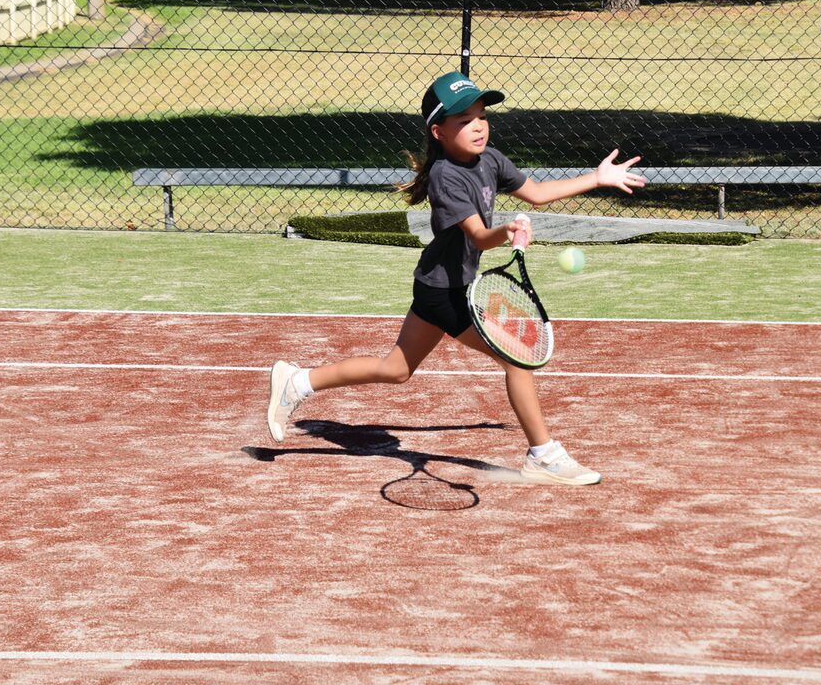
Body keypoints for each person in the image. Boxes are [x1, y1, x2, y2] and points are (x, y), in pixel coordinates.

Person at [266, 72, 646, 485]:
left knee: (395, 369)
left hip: (444, 283)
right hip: (444, 292)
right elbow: (480, 238)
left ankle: (297, 381)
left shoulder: (491, 160)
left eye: (480, 115)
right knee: (517, 358)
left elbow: (535, 193)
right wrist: (508, 231)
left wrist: (597, 177)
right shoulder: (446, 178)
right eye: (464, 119)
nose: (478, 125)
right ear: (439, 131)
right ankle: (545, 456)